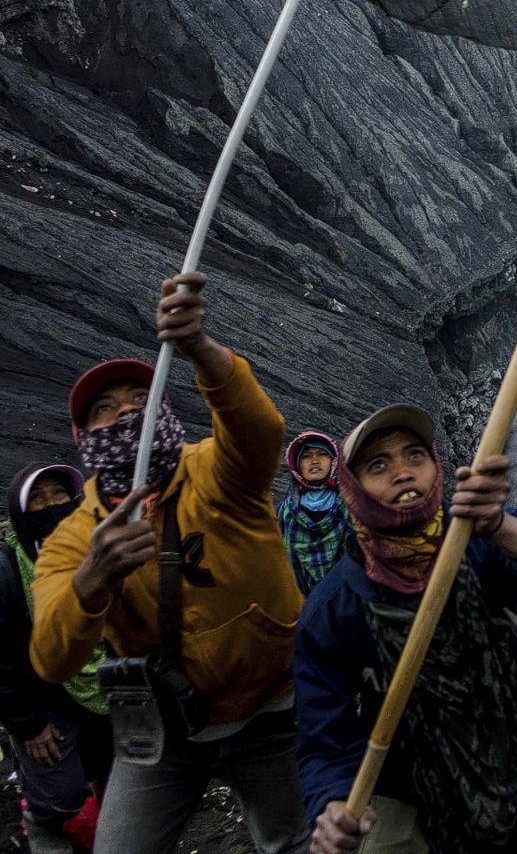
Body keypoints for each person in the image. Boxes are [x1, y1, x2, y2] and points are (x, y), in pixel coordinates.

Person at [31, 272, 307, 854]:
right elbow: (53, 658)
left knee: (293, 841)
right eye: (105, 409)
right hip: (161, 728)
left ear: (166, 405)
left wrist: (202, 351)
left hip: (272, 706)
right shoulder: (76, 537)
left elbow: (261, 431)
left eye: (141, 398)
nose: (128, 413)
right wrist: (91, 581)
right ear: (83, 438)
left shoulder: (217, 469)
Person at [300, 406, 517, 854]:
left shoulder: (474, 538)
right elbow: (324, 734)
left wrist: (503, 527)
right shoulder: (336, 608)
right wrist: (330, 801)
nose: (403, 473)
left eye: (415, 455)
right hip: (418, 783)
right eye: (378, 465)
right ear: (351, 490)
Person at [2, 465, 110, 853]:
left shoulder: (97, 550)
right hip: (41, 707)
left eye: (58, 494)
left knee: (112, 784)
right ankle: (43, 830)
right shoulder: (9, 570)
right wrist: (27, 725)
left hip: (102, 695)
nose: (50, 504)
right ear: (19, 507)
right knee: (59, 799)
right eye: (38, 497)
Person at [278, 430, 352, 594]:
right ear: (297, 465)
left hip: (347, 602)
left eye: (322, 454)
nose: (315, 461)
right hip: (299, 603)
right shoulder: (285, 512)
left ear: (334, 461)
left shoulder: (352, 506)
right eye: (306, 456)